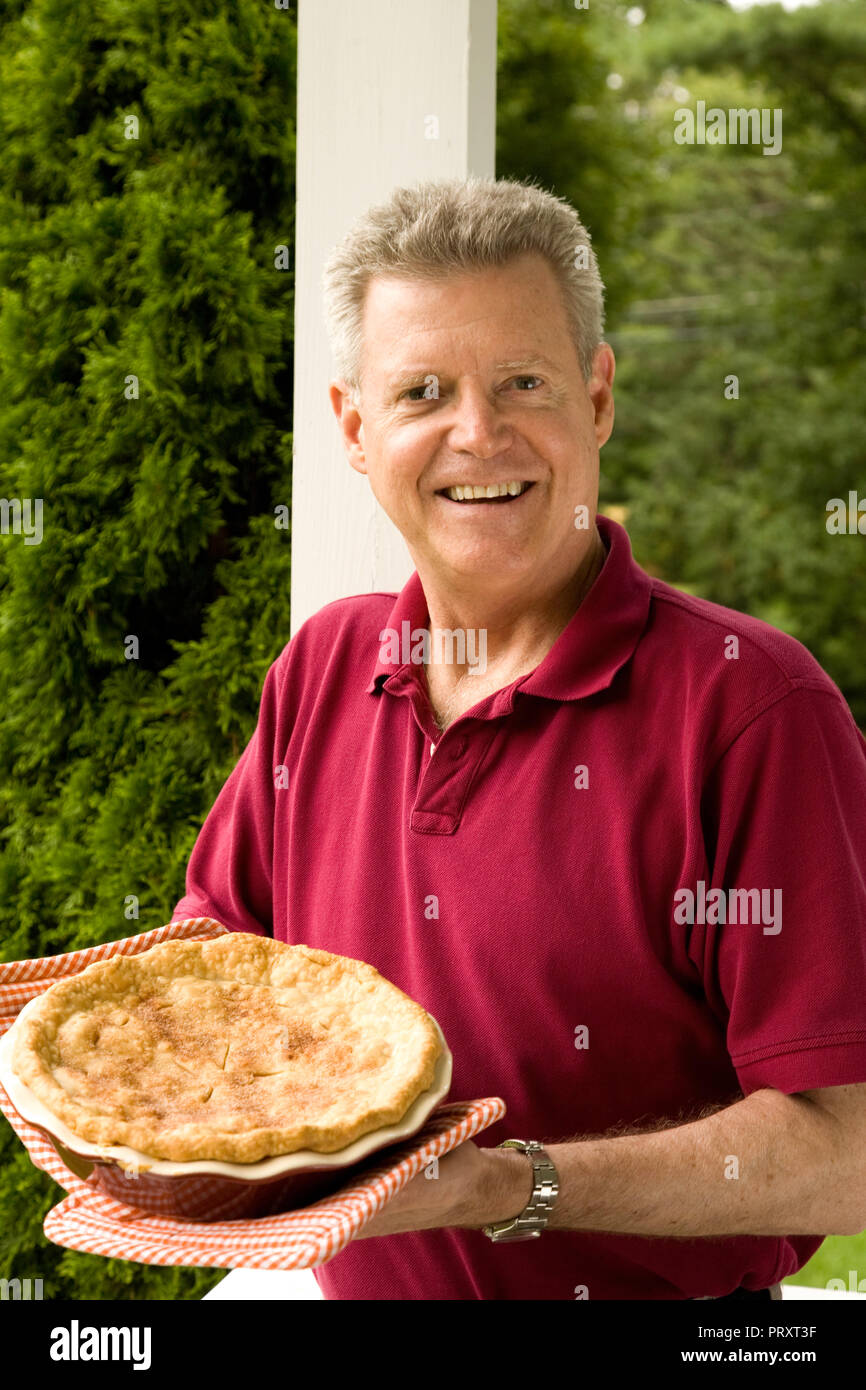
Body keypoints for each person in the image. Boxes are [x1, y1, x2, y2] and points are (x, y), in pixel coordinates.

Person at [172, 176, 866, 1300]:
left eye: (523, 382)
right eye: (424, 391)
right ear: (356, 428)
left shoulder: (753, 709)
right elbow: (212, 970)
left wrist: (506, 1185)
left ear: (595, 398)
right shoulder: (322, 669)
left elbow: (848, 1154)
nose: (477, 433)